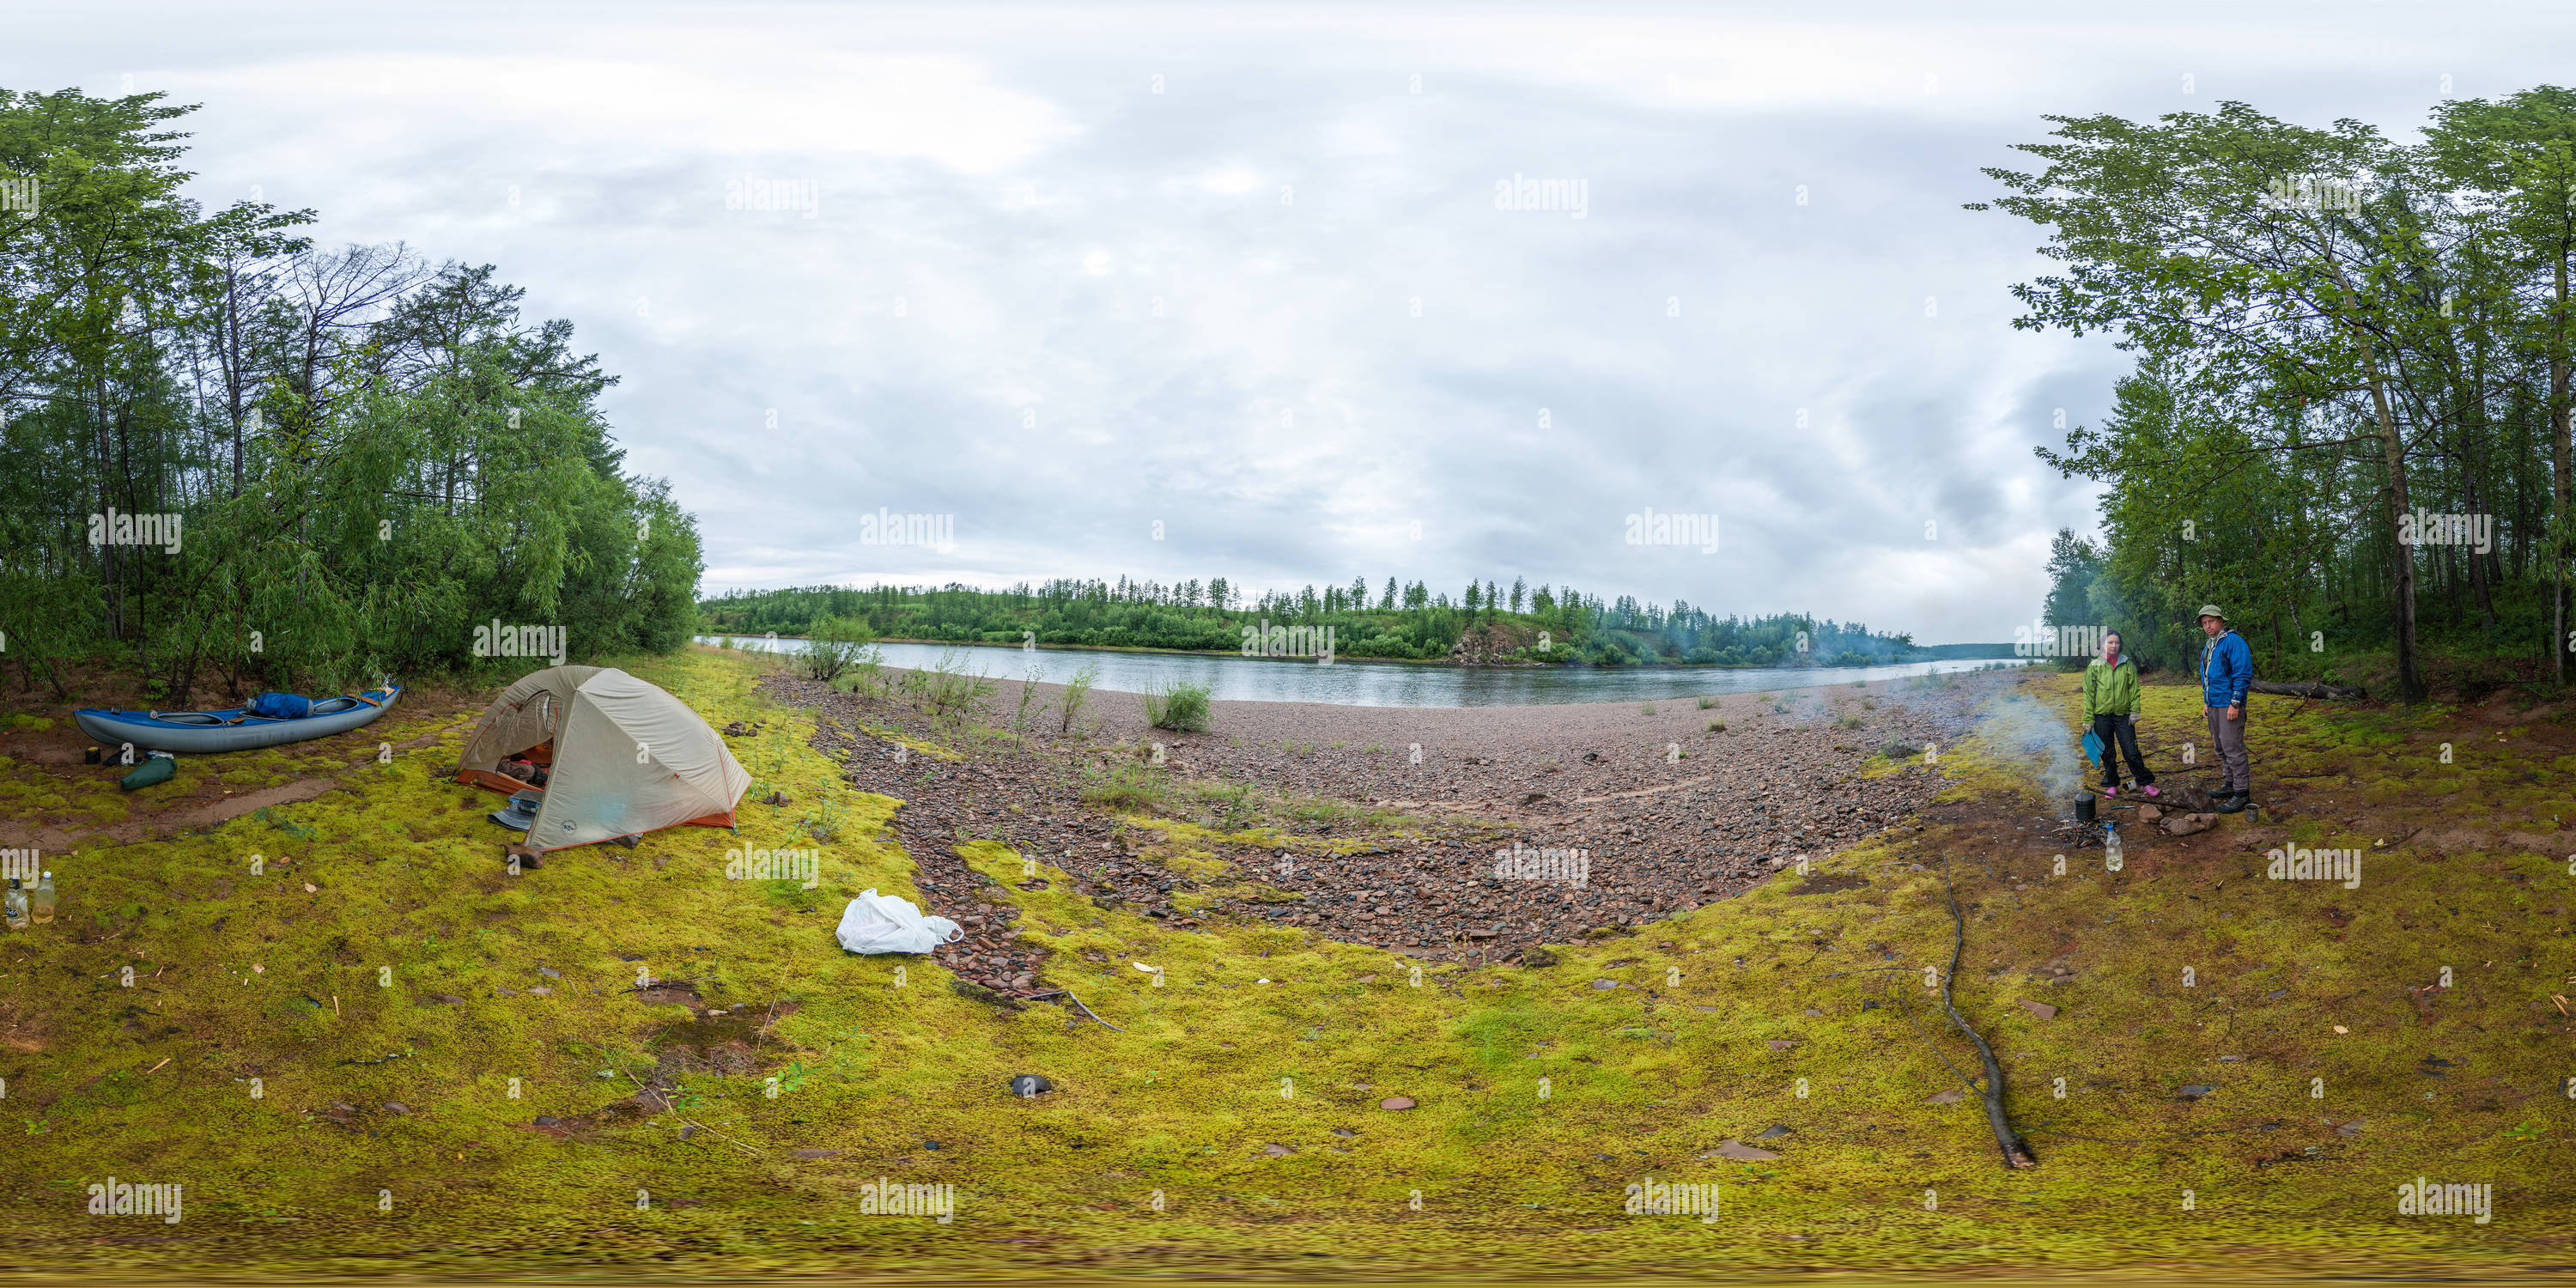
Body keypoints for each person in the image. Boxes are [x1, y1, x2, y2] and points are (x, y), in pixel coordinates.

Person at [2082, 631, 2157, 799]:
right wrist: (2088, 719)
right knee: (2107, 752)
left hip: (2124, 716)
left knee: (2131, 751)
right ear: (2103, 645)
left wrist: (2135, 710)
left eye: (2116, 642)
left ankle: (2145, 783)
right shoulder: (2095, 665)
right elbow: (2088, 694)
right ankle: (2111, 784)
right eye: (2110, 642)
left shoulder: (2127, 663)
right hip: (2101, 716)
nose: (2114, 645)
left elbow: (2134, 689)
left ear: (2120, 645)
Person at [2196, 605, 2252, 813]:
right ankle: (2229, 784)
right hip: (2213, 704)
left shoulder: (2233, 642)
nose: (2207, 626)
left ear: (2220, 621)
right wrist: (2206, 701)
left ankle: (2241, 792)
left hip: (2229, 705)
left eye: (2210, 621)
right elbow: (2208, 678)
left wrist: (2235, 702)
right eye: (2204, 623)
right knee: (2220, 747)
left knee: (2233, 747)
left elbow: (2243, 673)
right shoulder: (2210, 645)